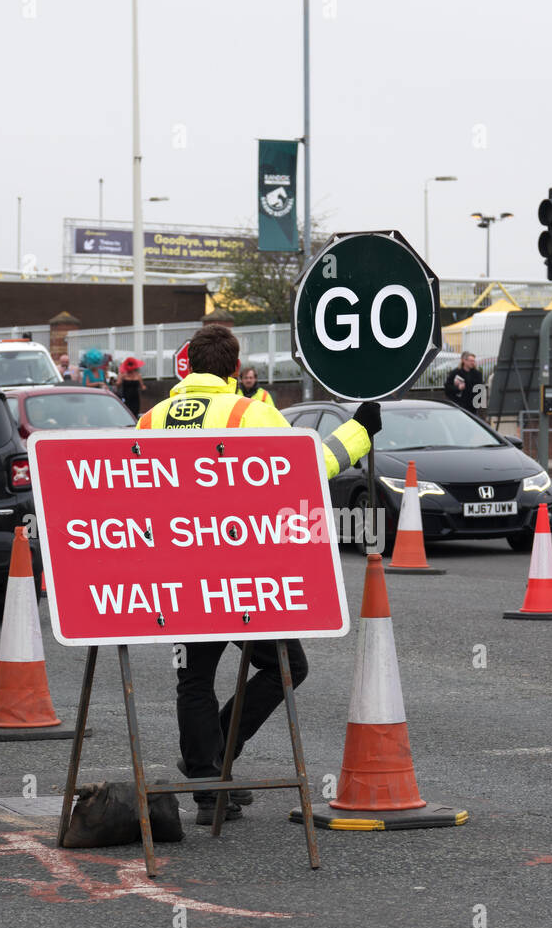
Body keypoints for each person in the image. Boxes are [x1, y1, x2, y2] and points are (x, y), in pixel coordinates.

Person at [137, 322, 381, 825]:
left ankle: (208, 789)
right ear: (232, 369)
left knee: (194, 681)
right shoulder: (248, 412)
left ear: (188, 365)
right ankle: (218, 759)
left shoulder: (151, 419)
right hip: (238, 569)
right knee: (286, 666)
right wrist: (360, 430)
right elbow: (308, 465)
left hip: (177, 572)